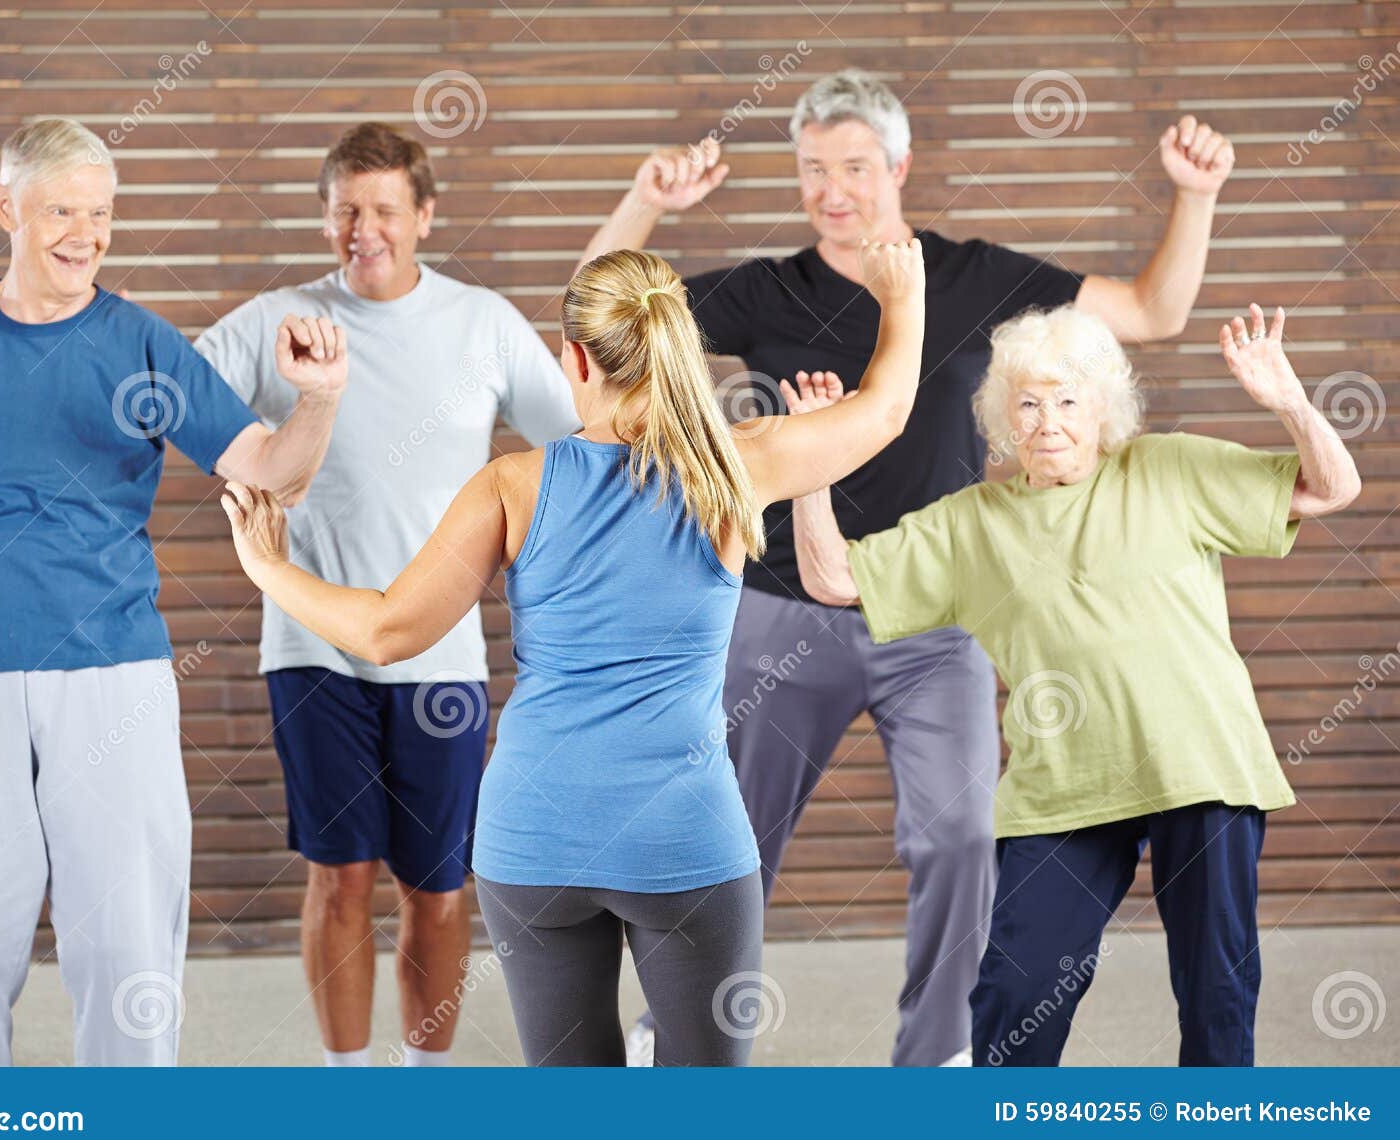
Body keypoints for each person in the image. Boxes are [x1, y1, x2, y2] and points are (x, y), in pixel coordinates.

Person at [582, 67, 1239, 1066]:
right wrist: (647, 203)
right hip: (778, 613)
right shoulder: (768, 289)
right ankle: (677, 1027)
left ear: (897, 165)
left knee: (960, 838)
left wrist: (1195, 194)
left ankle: (937, 1057)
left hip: (931, 623)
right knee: (727, 846)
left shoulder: (974, 276)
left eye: (852, 165)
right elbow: (600, 317)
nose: (830, 188)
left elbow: (1153, 308)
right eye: (811, 170)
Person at [220, 240, 928, 1065]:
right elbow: (886, 408)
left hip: (537, 839)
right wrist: (901, 293)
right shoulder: (740, 462)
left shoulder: (513, 485)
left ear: (574, 358)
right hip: (685, 839)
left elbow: (386, 628)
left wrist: (267, 563)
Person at [0, 118, 349, 1066]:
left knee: (128, 940)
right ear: (7, 207)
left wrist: (320, 399)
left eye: (101, 214)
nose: (85, 234)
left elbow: (271, 474)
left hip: (112, 672)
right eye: (63, 210)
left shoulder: (143, 343)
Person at [788, 302, 1361, 1065]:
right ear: (1003, 418)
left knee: (1217, 994)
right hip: (1064, 788)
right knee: (1015, 993)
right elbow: (831, 578)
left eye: (1067, 398)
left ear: (1104, 408)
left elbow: (1331, 488)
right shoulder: (973, 525)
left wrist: (1289, 398)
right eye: (1027, 401)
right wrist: (809, 462)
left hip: (1201, 768)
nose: (1048, 419)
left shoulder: (1169, 468)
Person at [193, 122, 578, 1068]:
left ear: (425, 215)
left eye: (385, 210)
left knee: (439, 889)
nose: (365, 229)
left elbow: (577, 439)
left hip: (441, 659)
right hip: (313, 647)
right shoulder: (283, 315)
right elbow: (176, 391)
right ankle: (349, 1086)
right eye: (346, 211)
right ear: (326, 216)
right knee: (340, 875)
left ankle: (423, 1086)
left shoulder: (483, 322)